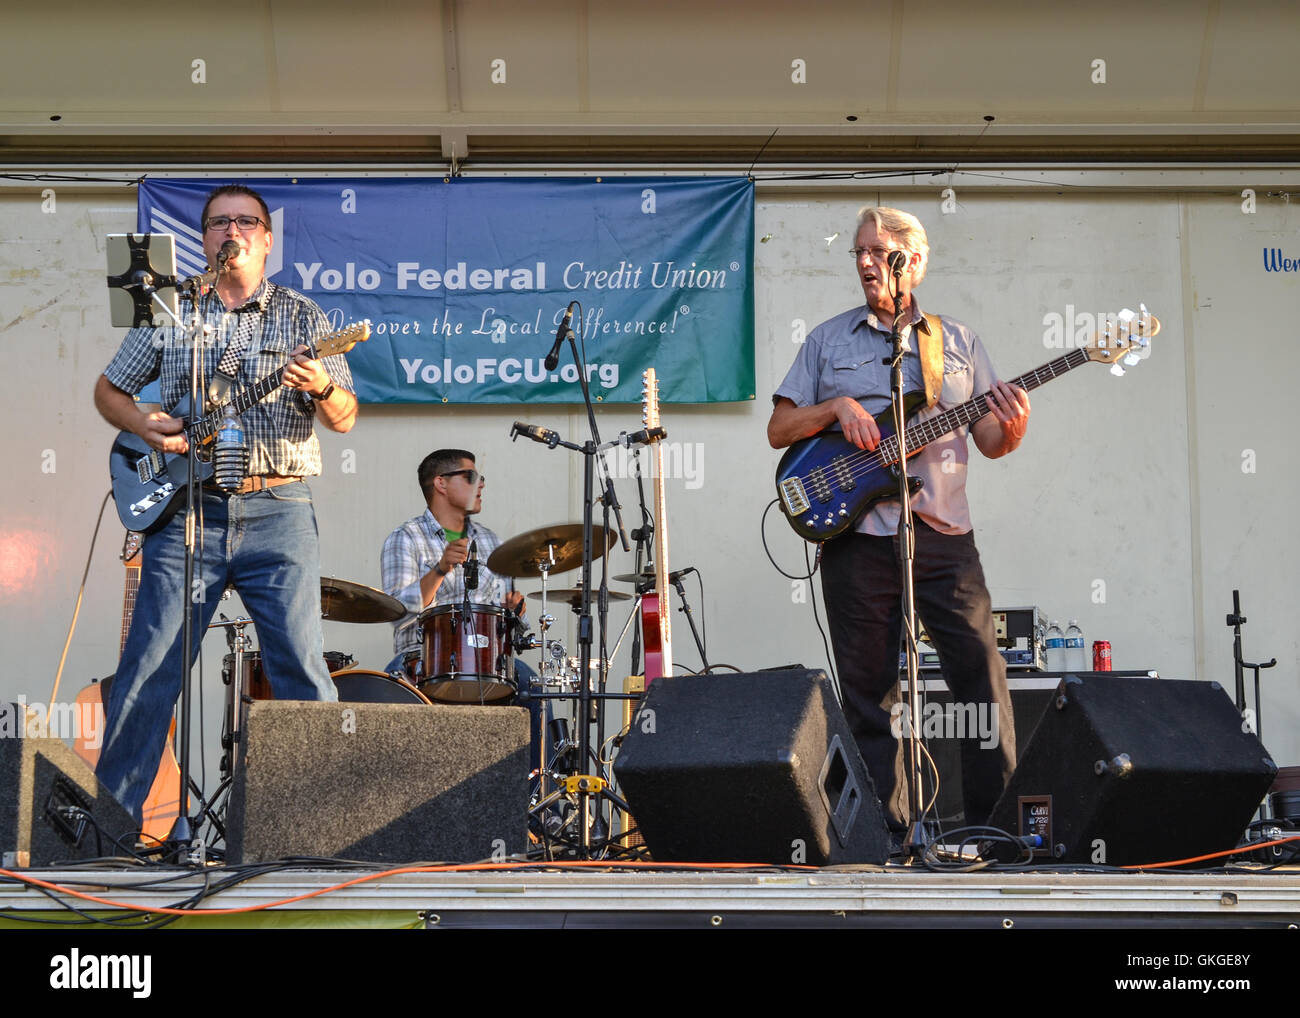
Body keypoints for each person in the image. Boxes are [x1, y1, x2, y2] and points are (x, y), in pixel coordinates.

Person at [94, 183, 358, 825]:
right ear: (203, 239)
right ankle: (107, 833)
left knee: (300, 666)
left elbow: (346, 418)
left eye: (246, 222)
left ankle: (318, 827)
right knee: (148, 668)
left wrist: (323, 384)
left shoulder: (305, 316)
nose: (231, 232)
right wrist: (146, 422)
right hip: (189, 511)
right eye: (218, 223)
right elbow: (108, 391)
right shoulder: (171, 310)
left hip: (279, 507)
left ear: (268, 240)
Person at [767, 205, 1030, 836]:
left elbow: (991, 440)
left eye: (875, 251)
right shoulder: (827, 341)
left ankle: (996, 831)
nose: (862, 262)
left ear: (910, 261)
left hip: (943, 534)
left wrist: (1014, 429)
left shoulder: (957, 342)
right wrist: (835, 407)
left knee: (981, 679)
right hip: (857, 540)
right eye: (856, 251)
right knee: (869, 694)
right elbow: (780, 430)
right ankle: (887, 836)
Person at [380, 449, 527, 682]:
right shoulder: (405, 537)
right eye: (471, 477)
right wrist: (440, 569)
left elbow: (515, 632)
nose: (481, 485)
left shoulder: (492, 541)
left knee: (532, 685)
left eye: (481, 479)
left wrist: (511, 610)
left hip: (489, 660)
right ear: (441, 483)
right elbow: (397, 612)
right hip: (423, 658)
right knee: (391, 691)